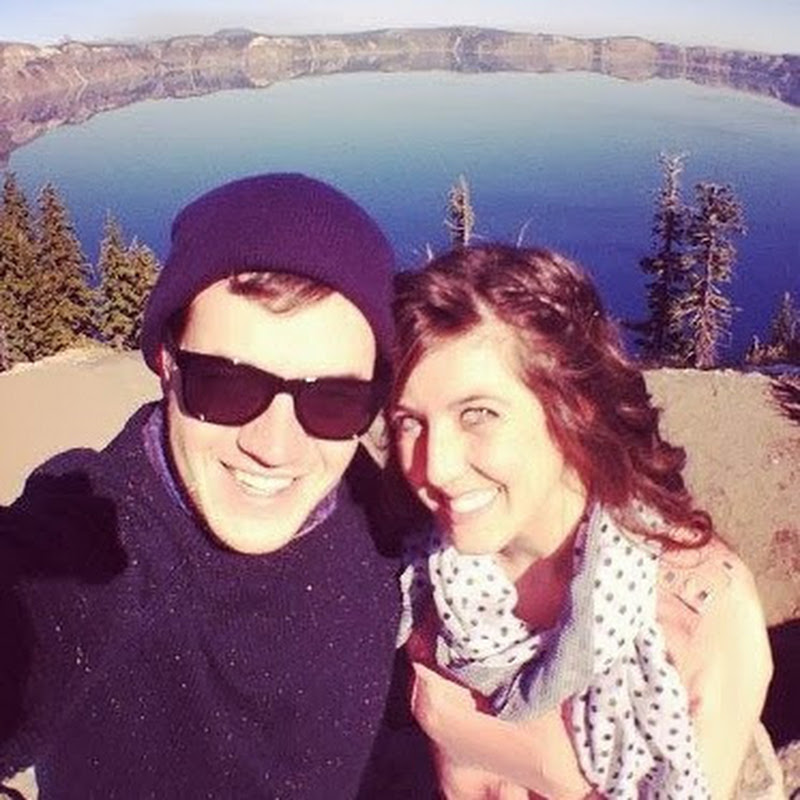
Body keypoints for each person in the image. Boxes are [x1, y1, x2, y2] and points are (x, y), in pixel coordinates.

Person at [0, 173, 401, 798]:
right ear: (166, 362)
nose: (274, 447)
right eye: (227, 386)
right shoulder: (98, 536)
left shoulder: (386, 516)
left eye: (334, 400)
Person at [387, 243, 780, 799]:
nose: (436, 469)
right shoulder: (432, 576)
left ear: (576, 405)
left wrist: (550, 772)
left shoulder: (699, 612)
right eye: (410, 422)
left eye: (478, 414)